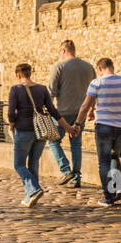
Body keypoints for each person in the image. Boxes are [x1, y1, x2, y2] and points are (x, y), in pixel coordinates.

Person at [72, 57, 121, 208]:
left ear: (99, 69)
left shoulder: (97, 83)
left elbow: (85, 105)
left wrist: (77, 123)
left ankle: (108, 196)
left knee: (104, 162)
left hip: (104, 127)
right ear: (112, 66)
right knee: (114, 157)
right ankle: (116, 189)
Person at [7, 63, 74, 208]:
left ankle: (34, 189)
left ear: (18, 75)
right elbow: (53, 111)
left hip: (23, 130)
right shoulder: (42, 89)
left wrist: (11, 125)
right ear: (30, 73)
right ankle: (30, 196)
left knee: (18, 164)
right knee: (33, 163)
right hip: (41, 131)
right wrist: (68, 127)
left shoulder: (15, 89)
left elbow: (11, 112)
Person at [46, 40, 96, 188]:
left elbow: (51, 92)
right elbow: (93, 92)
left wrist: (47, 111)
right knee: (76, 144)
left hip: (62, 112)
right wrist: (91, 109)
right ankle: (76, 177)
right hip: (81, 113)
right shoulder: (89, 67)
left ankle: (65, 169)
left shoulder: (59, 66)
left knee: (53, 140)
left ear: (62, 51)